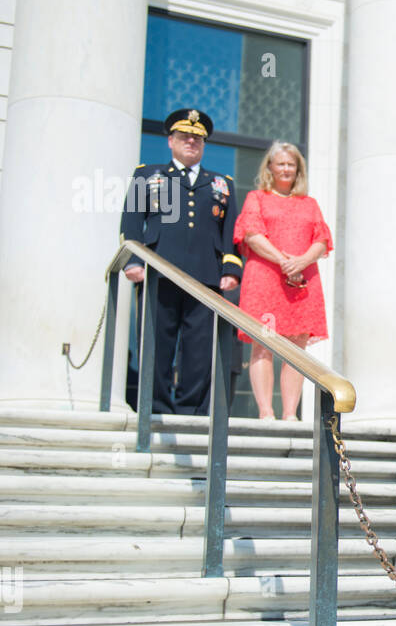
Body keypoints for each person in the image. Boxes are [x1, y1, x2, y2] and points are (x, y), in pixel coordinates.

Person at [120, 108, 241, 415]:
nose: (191, 142)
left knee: (199, 350)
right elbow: (132, 221)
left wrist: (230, 269)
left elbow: (229, 232)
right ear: (170, 141)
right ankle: (155, 408)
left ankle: (191, 412)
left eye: (198, 139)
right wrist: (133, 260)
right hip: (159, 272)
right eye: (185, 137)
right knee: (156, 343)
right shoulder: (147, 175)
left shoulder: (221, 183)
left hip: (205, 277)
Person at [233, 142, 333, 420]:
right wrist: (284, 261)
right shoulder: (257, 197)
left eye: (292, 164)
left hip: (302, 282)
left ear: (298, 170)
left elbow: (322, 240)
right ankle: (266, 412)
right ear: (270, 167)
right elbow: (251, 234)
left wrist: (301, 262)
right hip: (265, 279)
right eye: (281, 164)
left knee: (295, 349)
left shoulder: (309, 203)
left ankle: (290, 414)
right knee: (262, 344)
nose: (286, 169)